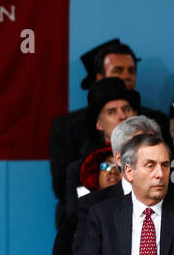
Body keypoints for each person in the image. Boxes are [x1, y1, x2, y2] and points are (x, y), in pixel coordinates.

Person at [50, 116, 164, 255]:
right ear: (120, 158)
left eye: (152, 144)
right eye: (137, 145)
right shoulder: (92, 206)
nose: (147, 152)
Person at [49, 38, 142, 207]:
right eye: (118, 71)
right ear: (99, 123)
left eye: (131, 71)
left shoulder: (150, 127)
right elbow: (64, 191)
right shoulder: (70, 134)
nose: (126, 77)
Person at [59, 77, 140, 219]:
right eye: (111, 112)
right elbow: (73, 224)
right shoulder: (79, 169)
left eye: (126, 109)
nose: (122, 116)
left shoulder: (155, 160)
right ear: (99, 124)